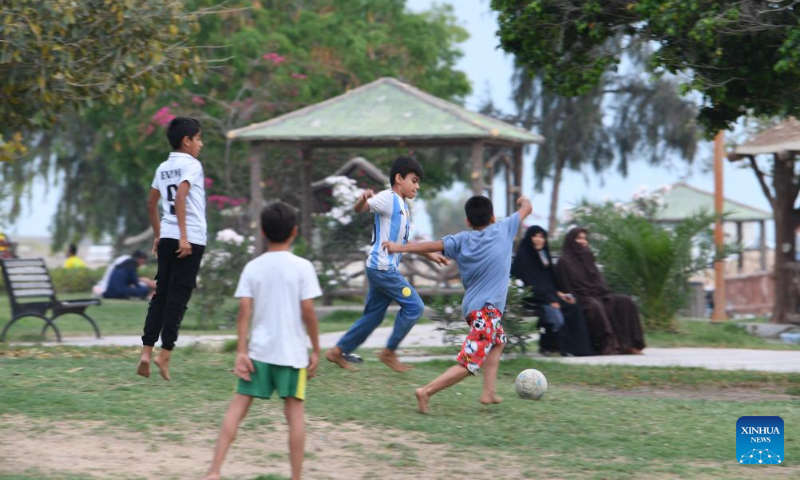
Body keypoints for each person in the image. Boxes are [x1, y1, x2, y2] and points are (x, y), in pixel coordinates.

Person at [203, 202, 321, 480]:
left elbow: (244, 309)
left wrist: (241, 351)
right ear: (294, 231)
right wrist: (315, 349)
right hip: (291, 355)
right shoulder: (302, 267)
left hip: (257, 353)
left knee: (236, 409)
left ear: (264, 233)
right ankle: (296, 477)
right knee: (294, 415)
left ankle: (214, 471)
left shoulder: (253, 267)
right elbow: (308, 311)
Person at [384, 195, 532, 413]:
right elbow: (527, 208)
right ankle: (425, 391)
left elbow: (431, 245)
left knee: (498, 341)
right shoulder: (504, 228)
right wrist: (522, 201)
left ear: (468, 222)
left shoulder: (461, 240)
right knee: (470, 364)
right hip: (487, 310)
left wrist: (399, 248)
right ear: (493, 217)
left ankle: (488, 392)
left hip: (475, 308)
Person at [325, 156, 448, 372]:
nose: (417, 186)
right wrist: (363, 199)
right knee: (415, 307)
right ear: (399, 178)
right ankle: (388, 352)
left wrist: (430, 254)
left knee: (373, 317)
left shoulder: (402, 207)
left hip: (378, 269)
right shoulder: (389, 198)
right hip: (383, 269)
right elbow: (360, 209)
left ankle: (337, 351)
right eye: (414, 180)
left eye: (418, 182)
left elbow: (403, 241)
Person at [137, 117, 206, 380]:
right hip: (190, 239)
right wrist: (185, 237)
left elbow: (150, 204)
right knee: (178, 298)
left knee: (161, 296)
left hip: (166, 236)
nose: (200, 144)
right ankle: (164, 355)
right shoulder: (193, 166)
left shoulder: (163, 167)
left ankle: (145, 351)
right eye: (198, 139)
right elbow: (180, 197)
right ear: (186, 141)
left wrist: (158, 235)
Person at [555, 227, 646, 355]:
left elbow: (598, 280)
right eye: (579, 238)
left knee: (625, 302)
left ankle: (629, 344)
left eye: (585, 239)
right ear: (571, 240)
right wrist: (587, 293)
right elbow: (567, 286)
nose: (583, 242)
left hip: (598, 294)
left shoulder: (587, 257)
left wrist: (599, 291)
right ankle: (608, 345)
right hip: (579, 297)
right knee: (594, 306)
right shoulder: (564, 261)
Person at [510, 226, 594, 356]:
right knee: (556, 311)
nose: (539, 239)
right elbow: (529, 285)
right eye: (535, 236)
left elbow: (548, 281)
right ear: (529, 238)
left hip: (548, 295)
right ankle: (552, 346)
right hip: (532, 296)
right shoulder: (524, 256)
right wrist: (550, 300)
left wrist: (560, 294)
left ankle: (576, 349)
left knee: (574, 308)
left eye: (542, 236)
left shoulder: (543, 255)